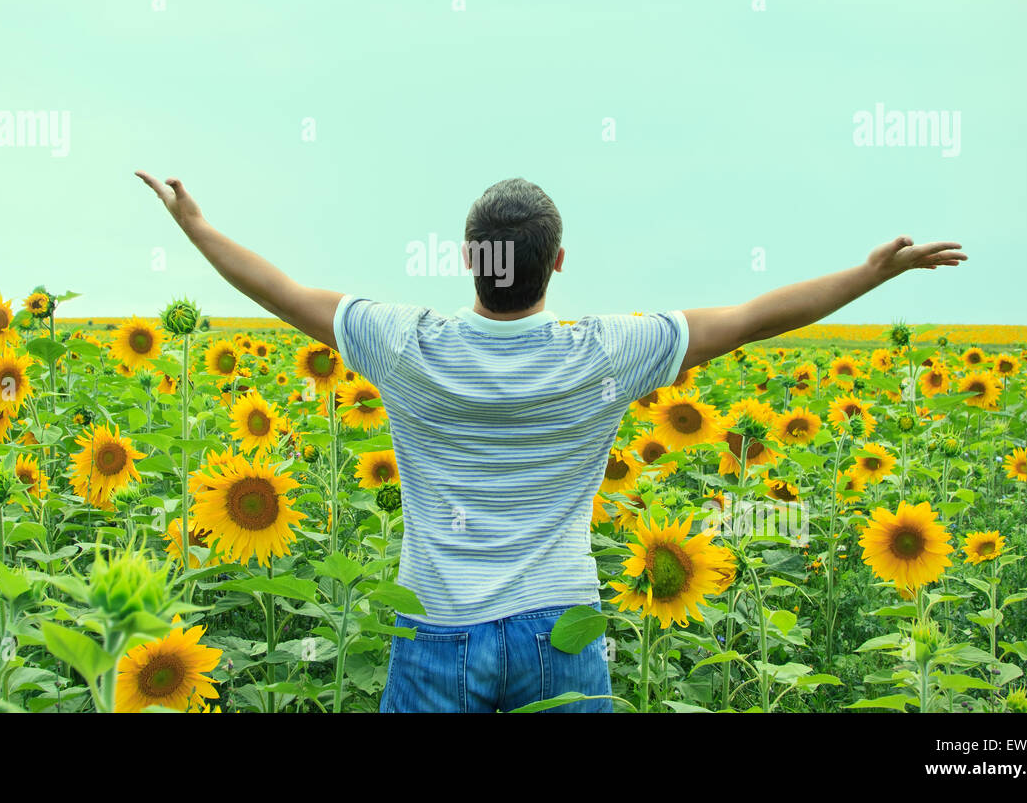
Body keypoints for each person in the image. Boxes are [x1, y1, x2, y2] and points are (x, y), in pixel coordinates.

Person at [136, 171, 966, 712]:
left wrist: (194, 225)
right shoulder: (604, 351)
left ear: (468, 259)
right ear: (557, 261)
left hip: (436, 629)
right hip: (561, 628)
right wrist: (872, 274)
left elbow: (278, 288)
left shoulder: (404, 344)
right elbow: (752, 318)